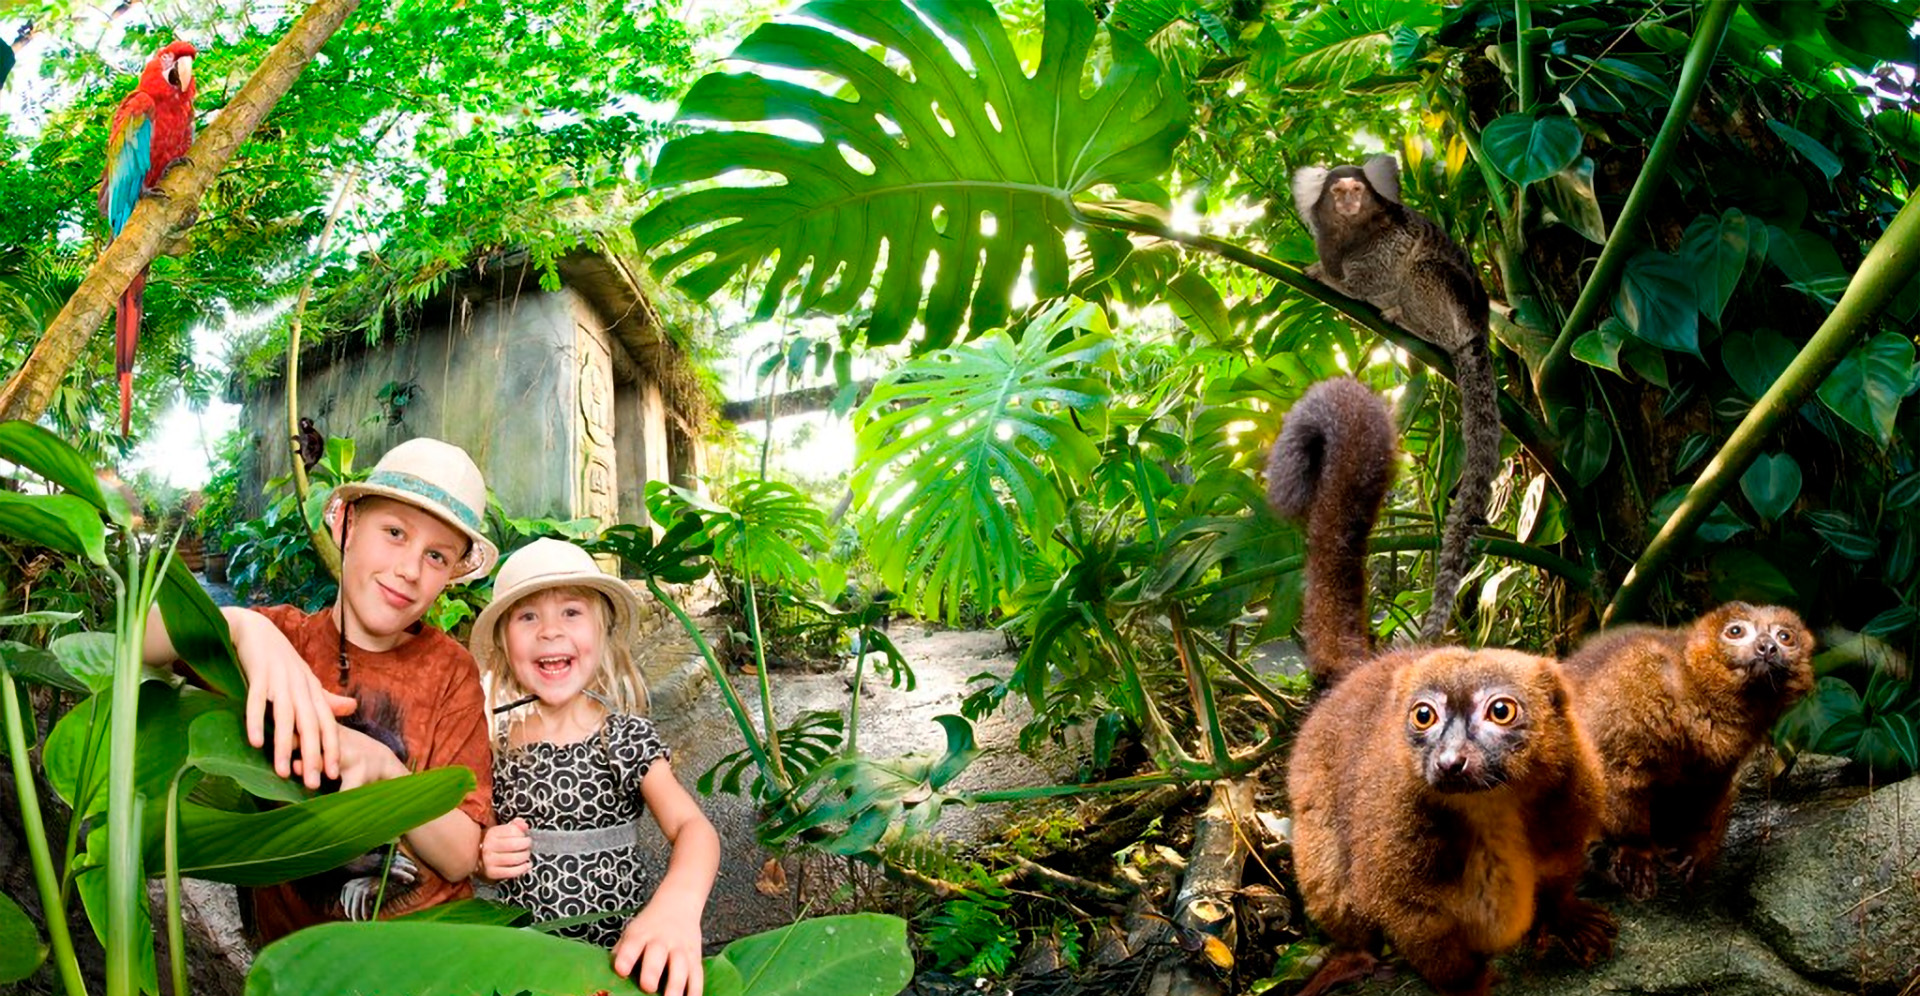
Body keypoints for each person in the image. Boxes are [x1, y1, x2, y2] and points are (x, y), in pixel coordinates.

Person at [144, 436, 500, 939]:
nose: (410, 570)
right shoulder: (282, 639)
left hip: (427, 953)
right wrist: (242, 628)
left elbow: (462, 854)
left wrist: (386, 770)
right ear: (346, 524)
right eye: (395, 532)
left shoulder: (450, 671)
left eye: (437, 556)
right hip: (299, 962)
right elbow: (130, 638)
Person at [472, 538, 719, 996]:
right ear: (505, 644)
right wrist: (484, 855)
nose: (550, 632)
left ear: (602, 630)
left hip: (614, 962)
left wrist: (677, 907)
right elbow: (482, 843)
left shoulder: (624, 737)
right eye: (528, 616)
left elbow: (693, 828)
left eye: (571, 612)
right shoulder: (496, 743)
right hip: (525, 960)